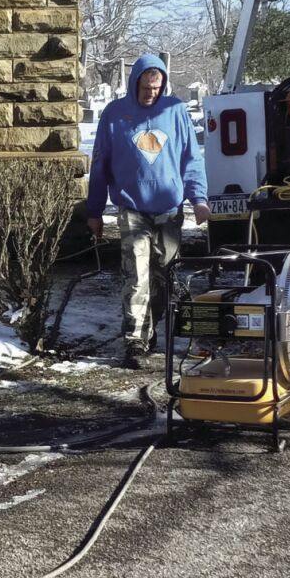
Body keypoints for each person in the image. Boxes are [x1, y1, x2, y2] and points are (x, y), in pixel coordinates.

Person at [87, 53, 208, 370]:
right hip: (132, 209)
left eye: (156, 88)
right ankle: (136, 341)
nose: (151, 93)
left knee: (164, 278)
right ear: (135, 82)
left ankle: (152, 325)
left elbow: (191, 160)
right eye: (146, 87)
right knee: (136, 275)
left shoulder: (176, 112)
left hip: (169, 210)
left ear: (163, 85)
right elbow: (100, 165)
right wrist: (95, 210)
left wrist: (199, 198)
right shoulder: (115, 115)